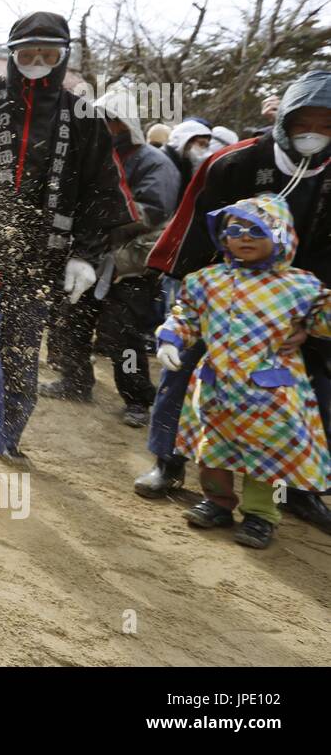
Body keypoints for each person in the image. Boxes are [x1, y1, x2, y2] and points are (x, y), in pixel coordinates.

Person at [0, 12, 138, 474]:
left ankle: (8, 437)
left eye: (49, 54)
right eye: (28, 53)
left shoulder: (85, 117)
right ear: (11, 54)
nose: (37, 62)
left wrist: (85, 256)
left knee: (22, 347)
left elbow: (102, 194)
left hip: (44, 260)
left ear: (63, 58)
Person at [135, 70, 331, 534]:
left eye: (327, 125)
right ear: (285, 117)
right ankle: (169, 460)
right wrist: (192, 300)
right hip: (223, 294)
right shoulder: (234, 162)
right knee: (185, 378)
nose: (315, 134)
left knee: (308, 395)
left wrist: (313, 316)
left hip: (303, 298)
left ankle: (300, 489)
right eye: (306, 121)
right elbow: (196, 226)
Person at [156, 195, 331, 548]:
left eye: (257, 230)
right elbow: (185, 315)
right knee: (213, 448)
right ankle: (217, 502)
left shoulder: (301, 286)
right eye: (235, 230)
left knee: (266, 454)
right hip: (217, 384)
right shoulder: (205, 281)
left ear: (280, 236)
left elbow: (324, 321)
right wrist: (171, 340)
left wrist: (311, 327)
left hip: (271, 392)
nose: (244, 237)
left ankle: (260, 516)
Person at [39, 82, 181, 427]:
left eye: (109, 119)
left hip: (129, 262)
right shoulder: (89, 157)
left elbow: (154, 209)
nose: (102, 125)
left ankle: (136, 397)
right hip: (88, 255)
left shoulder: (153, 163)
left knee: (124, 334)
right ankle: (75, 380)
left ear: (125, 123)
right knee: (73, 321)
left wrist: (102, 223)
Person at [163, 117, 213, 186]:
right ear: (185, 141)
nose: (203, 150)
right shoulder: (163, 162)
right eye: (201, 144)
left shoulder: (186, 166)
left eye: (206, 146)